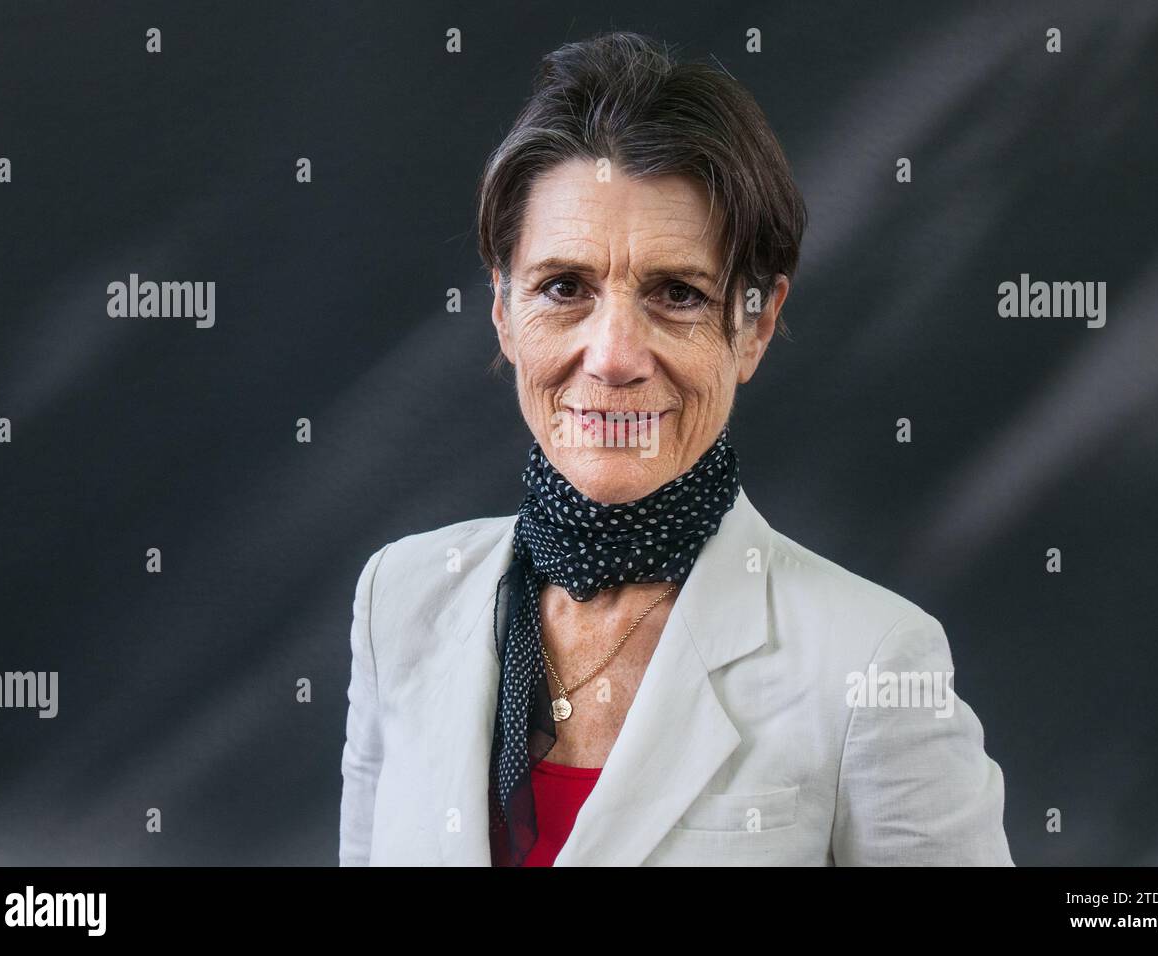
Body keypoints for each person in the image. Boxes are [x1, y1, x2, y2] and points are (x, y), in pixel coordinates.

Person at [339, 30, 1013, 866]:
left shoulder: (873, 664)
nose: (615, 354)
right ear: (504, 312)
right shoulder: (398, 603)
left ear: (755, 324)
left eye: (677, 293)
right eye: (563, 287)